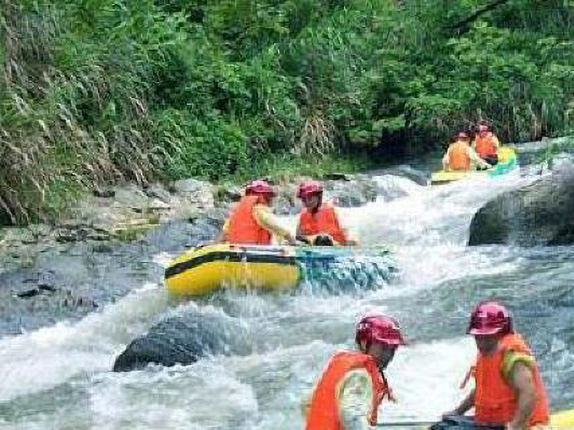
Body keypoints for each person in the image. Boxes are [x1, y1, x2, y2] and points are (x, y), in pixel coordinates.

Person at [441, 301, 550, 430]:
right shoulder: (487, 352)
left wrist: (514, 426)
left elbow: (529, 394)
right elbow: (480, 390)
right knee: (443, 427)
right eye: (478, 337)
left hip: (526, 426)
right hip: (493, 424)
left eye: (486, 337)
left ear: (500, 333)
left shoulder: (513, 356)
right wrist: (457, 412)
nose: (481, 343)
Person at [304, 315, 406, 430]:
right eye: (383, 347)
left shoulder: (340, 366)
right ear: (364, 343)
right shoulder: (360, 374)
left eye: (393, 348)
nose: (388, 354)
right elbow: (351, 416)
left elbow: (307, 404)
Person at [218, 179, 297, 245]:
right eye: (269, 196)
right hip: (254, 251)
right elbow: (274, 226)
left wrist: (217, 246)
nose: (271, 200)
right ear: (264, 196)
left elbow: (224, 233)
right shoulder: (259, 210)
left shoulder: (236, 211)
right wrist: (290, 238)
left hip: (236, 250)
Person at [296, 180, 358, 246]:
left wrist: (351, 242)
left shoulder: (335, 212)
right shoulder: (303, 215)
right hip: (313, 251)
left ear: (318, 197)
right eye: (304, 199)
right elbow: (299, 237)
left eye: (309, 198)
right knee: (321, 239)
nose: (306, 202)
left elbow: (351, 236)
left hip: (337, 249)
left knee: (323, 239)